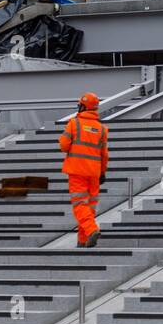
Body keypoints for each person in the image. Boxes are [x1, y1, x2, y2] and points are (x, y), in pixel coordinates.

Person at [59, 91, 109, 247]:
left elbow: (63, 145)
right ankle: (83, 241)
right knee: (90, 207)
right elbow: (104, 154)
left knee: (80, 205)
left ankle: (92, 230)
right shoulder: (102, 129)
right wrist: (102, 173)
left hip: (77, 171)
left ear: (83, 106)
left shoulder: (74, 124)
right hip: (94, 173)